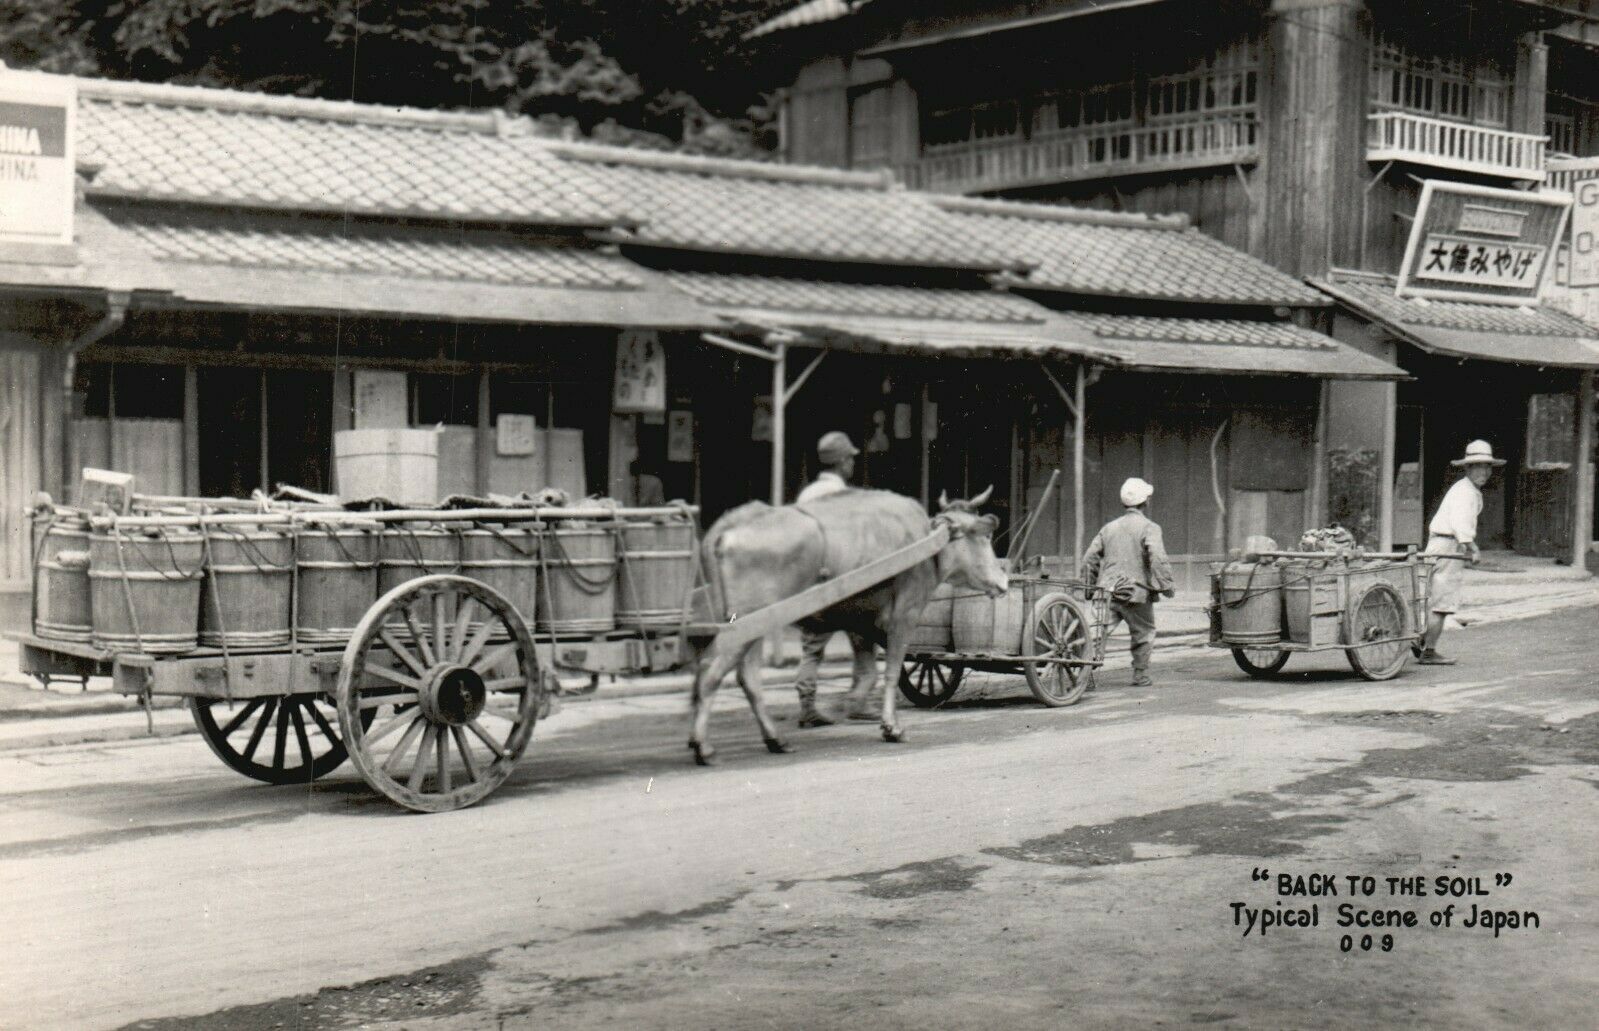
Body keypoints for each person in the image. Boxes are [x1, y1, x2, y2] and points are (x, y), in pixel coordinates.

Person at [791, 431, 870, 727]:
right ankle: (860, 698)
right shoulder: (841, 496)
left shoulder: (807, 494)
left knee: (812, 646)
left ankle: (807, 704)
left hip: (810, 579)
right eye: (850, 458)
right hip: (838, 583)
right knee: (865, 636)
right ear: (841, 462)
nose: (852, 463)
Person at [1081, 477, 1176, 687]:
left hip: (1107, 592)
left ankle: (1084, 675)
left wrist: (1089, 589)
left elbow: (1089, 559)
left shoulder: (1109, 528)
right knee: (1144, 633)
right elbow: (1158, 558)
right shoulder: (1150, 527)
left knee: (1095, 632)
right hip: (1136, 593)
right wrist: (1166, 585)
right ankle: (1140, 675)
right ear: (1146, 502)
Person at [1416, 439, 1502, 665]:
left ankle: (1421, 641)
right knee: (1442, 602)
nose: (1483, 471)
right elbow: (1460, 523)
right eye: (1478, 466)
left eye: (1487, 466)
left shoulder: (1465, 489)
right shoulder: (1466, 492)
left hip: (1442, 545)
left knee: (1435, 597)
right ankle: (1429, 650)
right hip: (1447, 545)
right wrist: (1471, 546)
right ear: (1468, 468)